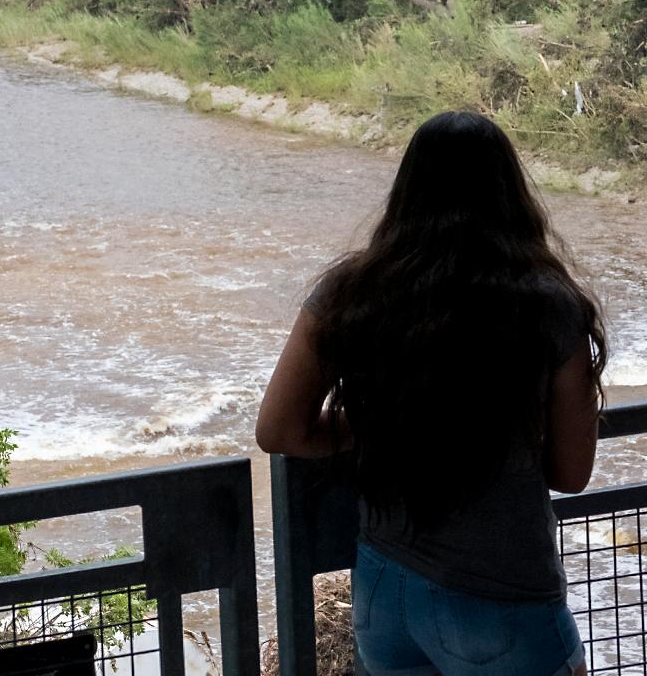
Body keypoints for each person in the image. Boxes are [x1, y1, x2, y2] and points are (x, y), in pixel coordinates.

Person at [256, 111, 607, 676]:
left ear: (407, 190)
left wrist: (380, 423)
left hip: (386, 591)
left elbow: (279, 431)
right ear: (510, 193)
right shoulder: (549, 305)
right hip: (503, 596)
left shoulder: (351, 291)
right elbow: (571, 473)